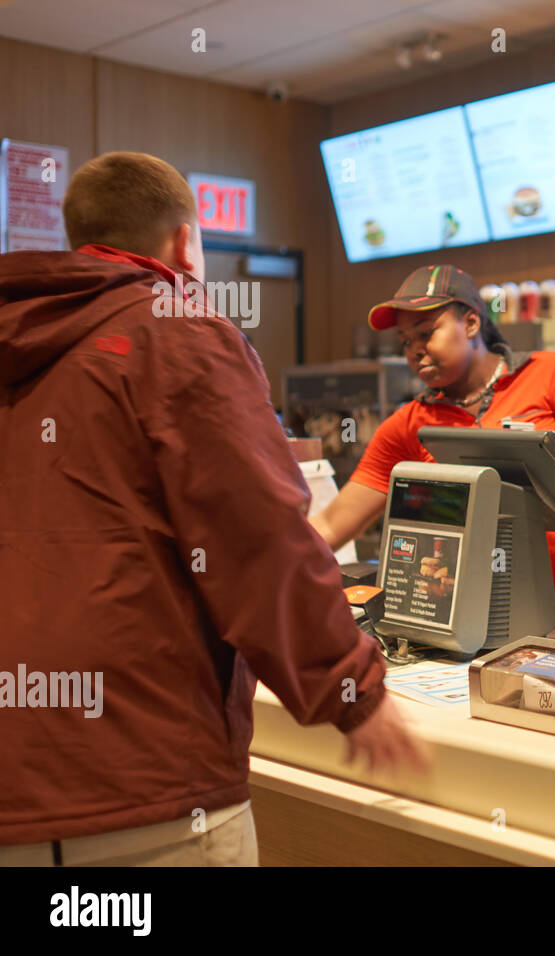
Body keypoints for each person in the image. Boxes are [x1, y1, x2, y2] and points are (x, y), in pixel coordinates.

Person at [0, 152, 424, 867]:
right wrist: (352, 690)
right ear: (185, 244)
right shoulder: (177, 333)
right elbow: (257, 541)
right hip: (144, 782)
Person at [309, 265, 555, 639]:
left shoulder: (550, 375)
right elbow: (332, 524)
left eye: (426, 333)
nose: (415, 350)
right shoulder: (409, 424)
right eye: (405, 341)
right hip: (493, 599)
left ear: (471, 324)